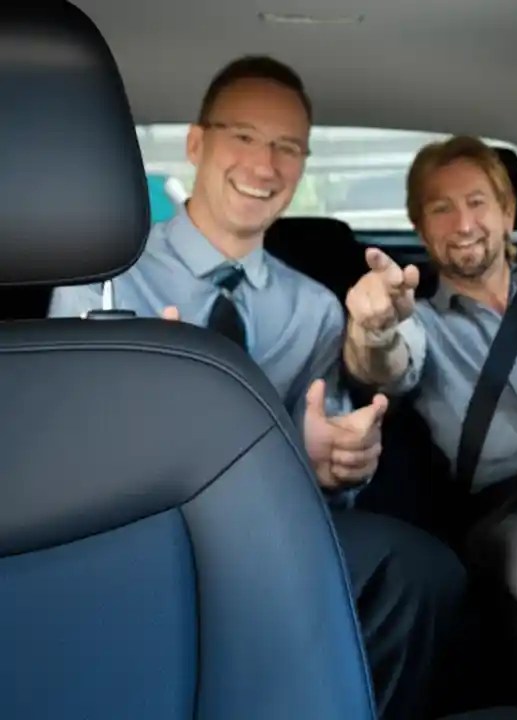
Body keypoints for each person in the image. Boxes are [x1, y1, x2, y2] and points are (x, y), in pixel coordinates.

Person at [49, 56, 465, 720]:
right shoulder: (105, 279)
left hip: (262, 537)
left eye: (287, 147)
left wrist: (334, 465)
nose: (264, 166)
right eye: (242, 136)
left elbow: (321, 439)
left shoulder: (313, 310)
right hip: (128, 534)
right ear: (196, 142)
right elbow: (64, 450)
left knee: (421, 573)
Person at [342, 135, 517, 633]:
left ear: (507, 210)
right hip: (513, 510)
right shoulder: (422, 321)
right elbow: (385, 365)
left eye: (477, 203)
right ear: (422, 228)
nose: (464, 224)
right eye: (441, 209)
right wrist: (374, 328)